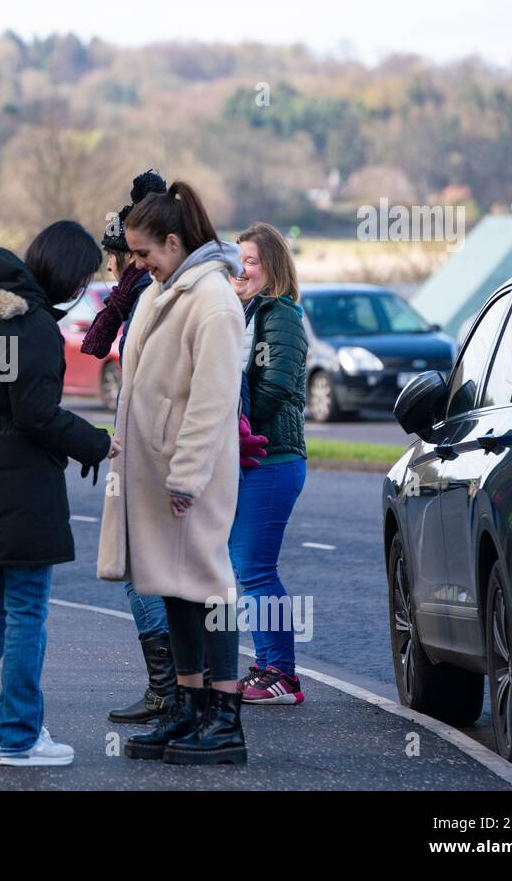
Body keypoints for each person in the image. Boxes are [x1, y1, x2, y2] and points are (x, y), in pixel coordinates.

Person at [0, 222, 116, 767]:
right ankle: (20, 735)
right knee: (27, 606)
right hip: (18, 482)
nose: (83, 285)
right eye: (82, 276)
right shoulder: (31, 324)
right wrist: (97, 445)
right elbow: (35, 414)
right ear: (66, 272)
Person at [97, 180, 249, 765]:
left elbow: (212, 401)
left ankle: (224, 717)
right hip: (158, 470)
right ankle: (189, 706)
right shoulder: (170, 289)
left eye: (143, 253)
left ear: (173, 240)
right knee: (175, 588)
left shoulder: (212, 299)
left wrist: (184, 475)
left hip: (188, 475)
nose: (136, 264)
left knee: (209, 587)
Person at [81, 171, 177, 724]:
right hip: (147, 441)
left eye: (120, 254)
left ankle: (170, 691)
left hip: (151, 447)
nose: (118, 265)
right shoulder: (141, 289)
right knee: (158, 569)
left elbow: (98, 346)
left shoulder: (147, 291)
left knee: (144, 569)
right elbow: (97, 344)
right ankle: (184, 689)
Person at [229, 222, 309, 705]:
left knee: (257, 569)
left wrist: (238, 427)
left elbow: (276, 385)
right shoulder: (248, 312)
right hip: (255, 457)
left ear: (273, 266)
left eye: (252, 261)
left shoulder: (279, 314)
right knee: (248, 567)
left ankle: (283, 675)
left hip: (272, 458)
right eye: (238, 260)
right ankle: (266, 666)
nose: (242, 269)